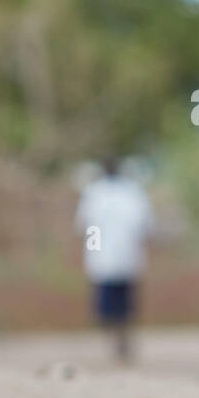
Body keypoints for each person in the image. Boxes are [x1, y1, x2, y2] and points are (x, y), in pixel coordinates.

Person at [74, 156, 152, 364]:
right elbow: (146, 225)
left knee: (116, 302)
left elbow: (82, 225)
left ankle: (119, 338)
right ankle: (119, 337)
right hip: (121, 255)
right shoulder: (129, 193)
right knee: (118, 303)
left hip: (108, 256)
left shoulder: (96, 193)